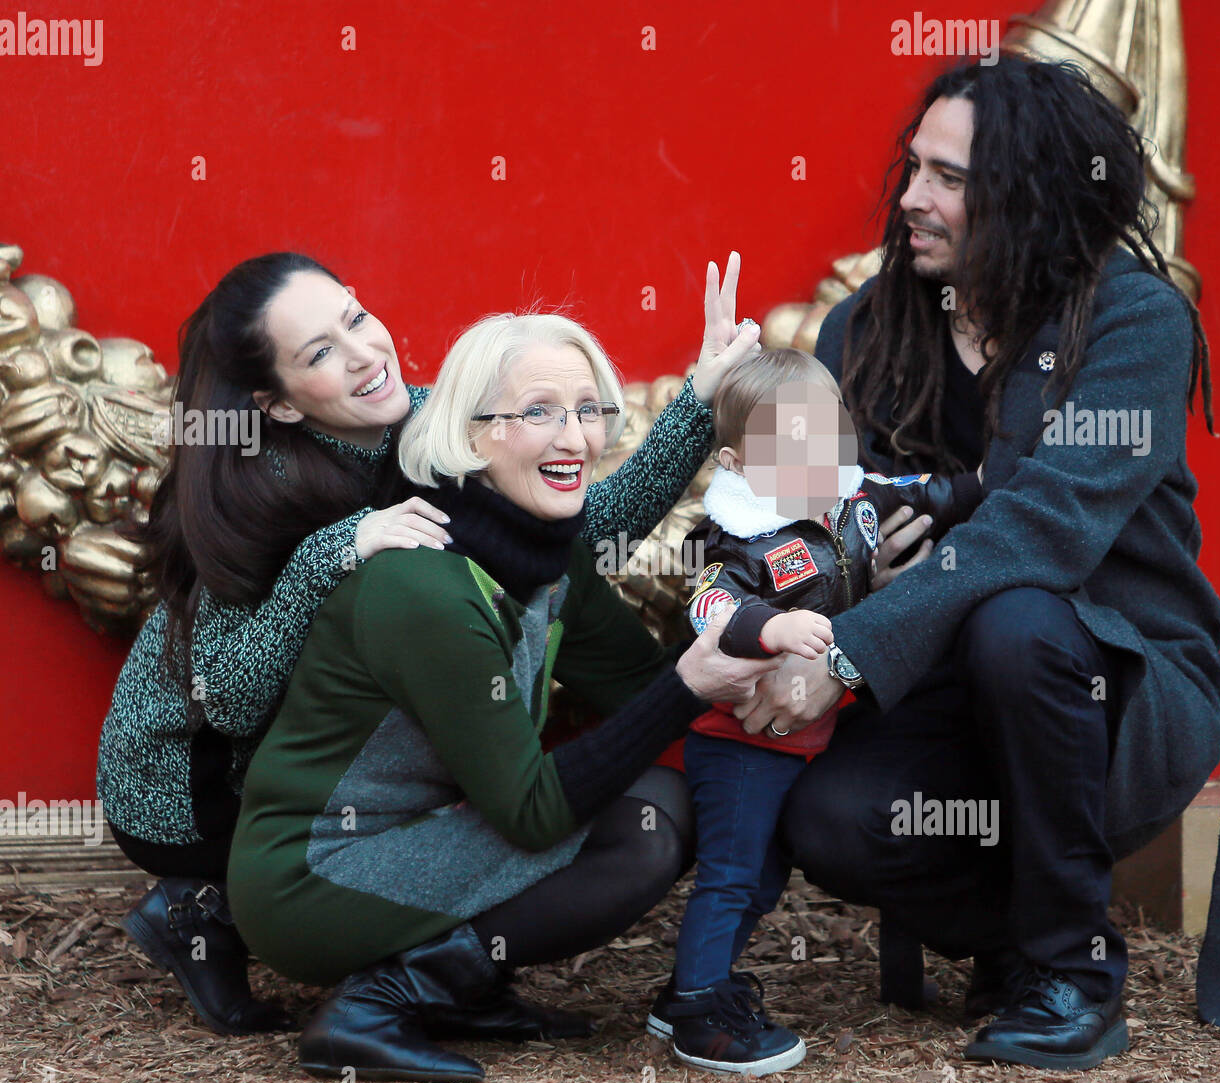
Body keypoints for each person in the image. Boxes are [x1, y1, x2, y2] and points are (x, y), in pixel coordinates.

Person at [733, 56, 1220, 1071]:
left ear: (1031, 191)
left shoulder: (1134, 321)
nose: (912, 198)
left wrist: (848, 654)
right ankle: (1016, 937)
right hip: (945, 687)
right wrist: (829, 570)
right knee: (833, 818)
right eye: (914, 168)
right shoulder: (870, 324)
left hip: (1119, 689)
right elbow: (816, 521)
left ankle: (1071, 975)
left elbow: (1043, 527)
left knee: (1018, 616)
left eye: (949, 179)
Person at [97, 250, 758, 1036]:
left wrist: (700, 398)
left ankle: (434, 975)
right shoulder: (261, 491)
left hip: (311, 765)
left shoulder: (418, 418)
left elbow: (574, 536)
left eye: (355, 317)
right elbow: (233, 699)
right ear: (274, 403)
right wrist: (332, 551)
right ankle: (206, 909)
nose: (364, 353)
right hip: (190, 778)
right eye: (321, 354)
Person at [225, 311, 781, 1083]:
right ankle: (377, 1004)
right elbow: (533, 810)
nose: (575, 438)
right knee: (648, 828)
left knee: (672, 795)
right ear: (471, 433)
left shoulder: (547, 551)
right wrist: (692, 684)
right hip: (314, 874)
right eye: (538, 413)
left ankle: (462, 990)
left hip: (423, 830)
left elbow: (637, 687)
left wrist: (781, 664)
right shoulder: (424, 584)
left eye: (587, 410)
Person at [645, 347, 982, 1074]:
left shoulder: (853, 501)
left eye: (830, 433)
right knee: (733, 873)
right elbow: (709, 600)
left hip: (806, 735)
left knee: (762, 878)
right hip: (738, 739)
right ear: (738, 463)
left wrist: (981, 485)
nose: (820, 456)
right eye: (792, 446)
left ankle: (688, 988)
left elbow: (923, 493)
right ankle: (700, 1006)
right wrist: (769, 627)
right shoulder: (735, 534)